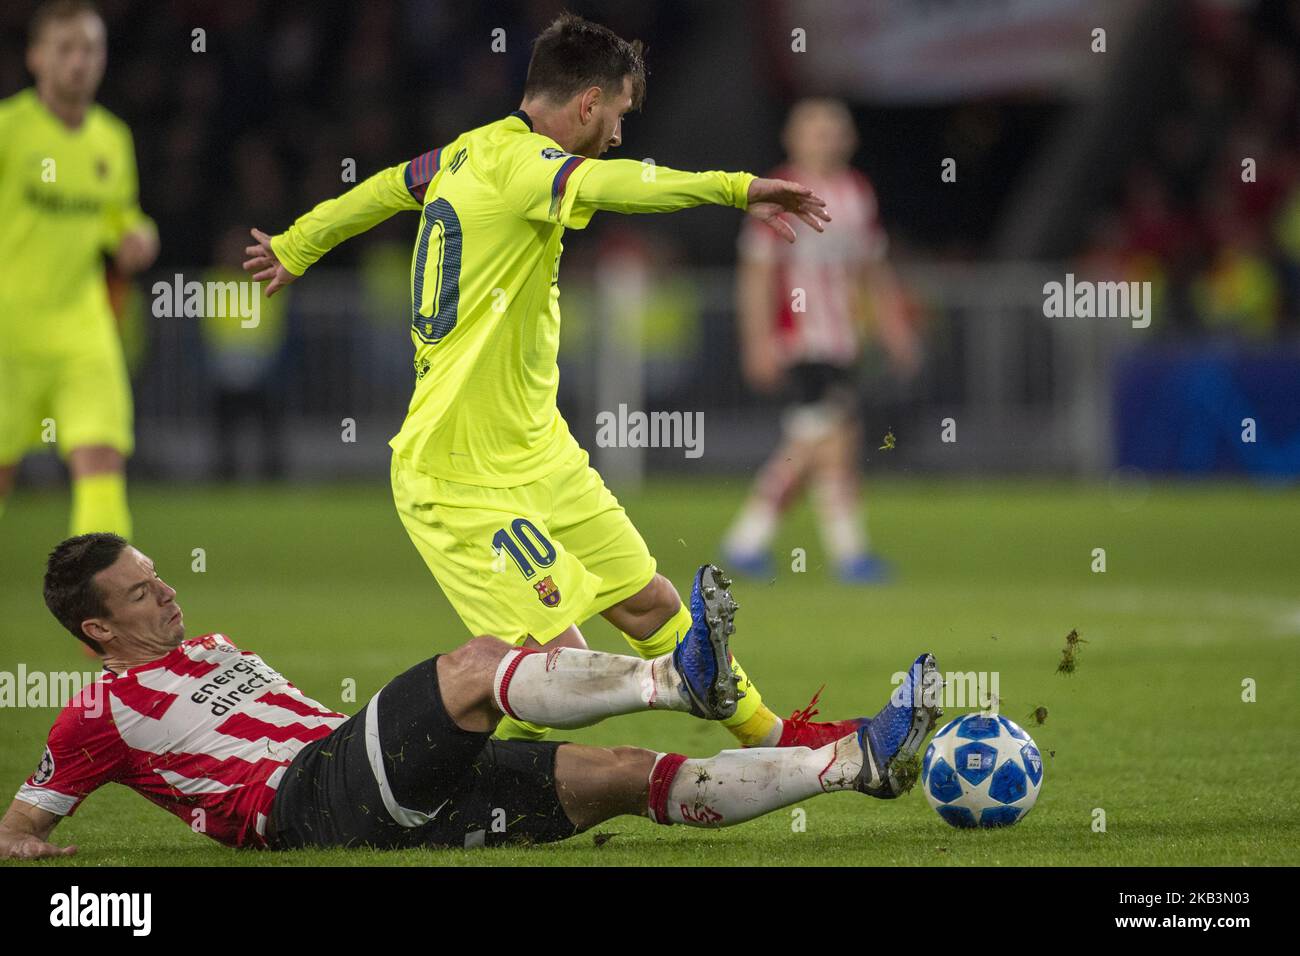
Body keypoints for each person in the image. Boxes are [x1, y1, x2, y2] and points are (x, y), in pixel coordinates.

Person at [243, 13, 858, 750]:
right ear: (589, 102)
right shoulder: (525, 167)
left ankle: (774, 740)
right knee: (559, 673)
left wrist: (295, 244)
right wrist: (735, 188)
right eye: (622, 113)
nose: (621, 132)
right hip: (459, 472)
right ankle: (429, 781)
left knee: (651, 605)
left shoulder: (467, 153)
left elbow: (380, 189)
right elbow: (623, 182)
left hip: (539, 453)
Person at [0, 533, 941, 857]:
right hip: (309, 802)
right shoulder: (96, 714)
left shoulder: (207, 646)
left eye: (158, 576)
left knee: (624, 773)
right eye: (140, 592)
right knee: (475, 666)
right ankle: (673, 675)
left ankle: (852, 765)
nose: (165, 591)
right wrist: (34, 848)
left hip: (381, 790)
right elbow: (22, 822)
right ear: (97, 632)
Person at [722, 98, 921, 583]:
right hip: (800, 338)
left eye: (835, 130)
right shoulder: (779, 191)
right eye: (815, 130)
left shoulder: (857, 192)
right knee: (827, 438)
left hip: (843, 340)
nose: (826, 139)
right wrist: (757, 341)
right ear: (792, 138)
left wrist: (893, 325)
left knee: (826, 441)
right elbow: (756, 274)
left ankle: (776, 545)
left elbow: (872, 267)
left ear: (850, 139)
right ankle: (782, 544)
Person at [0, 0, 158, 540]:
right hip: (9, 330)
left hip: (83, 330)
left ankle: (101, 609)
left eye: (90, 48)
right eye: (65, 48)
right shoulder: (9, 130)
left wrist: (137, 234)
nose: (79, 61)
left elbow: (118, 216)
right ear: (36, 57)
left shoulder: (112, 139)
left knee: (101, 467)